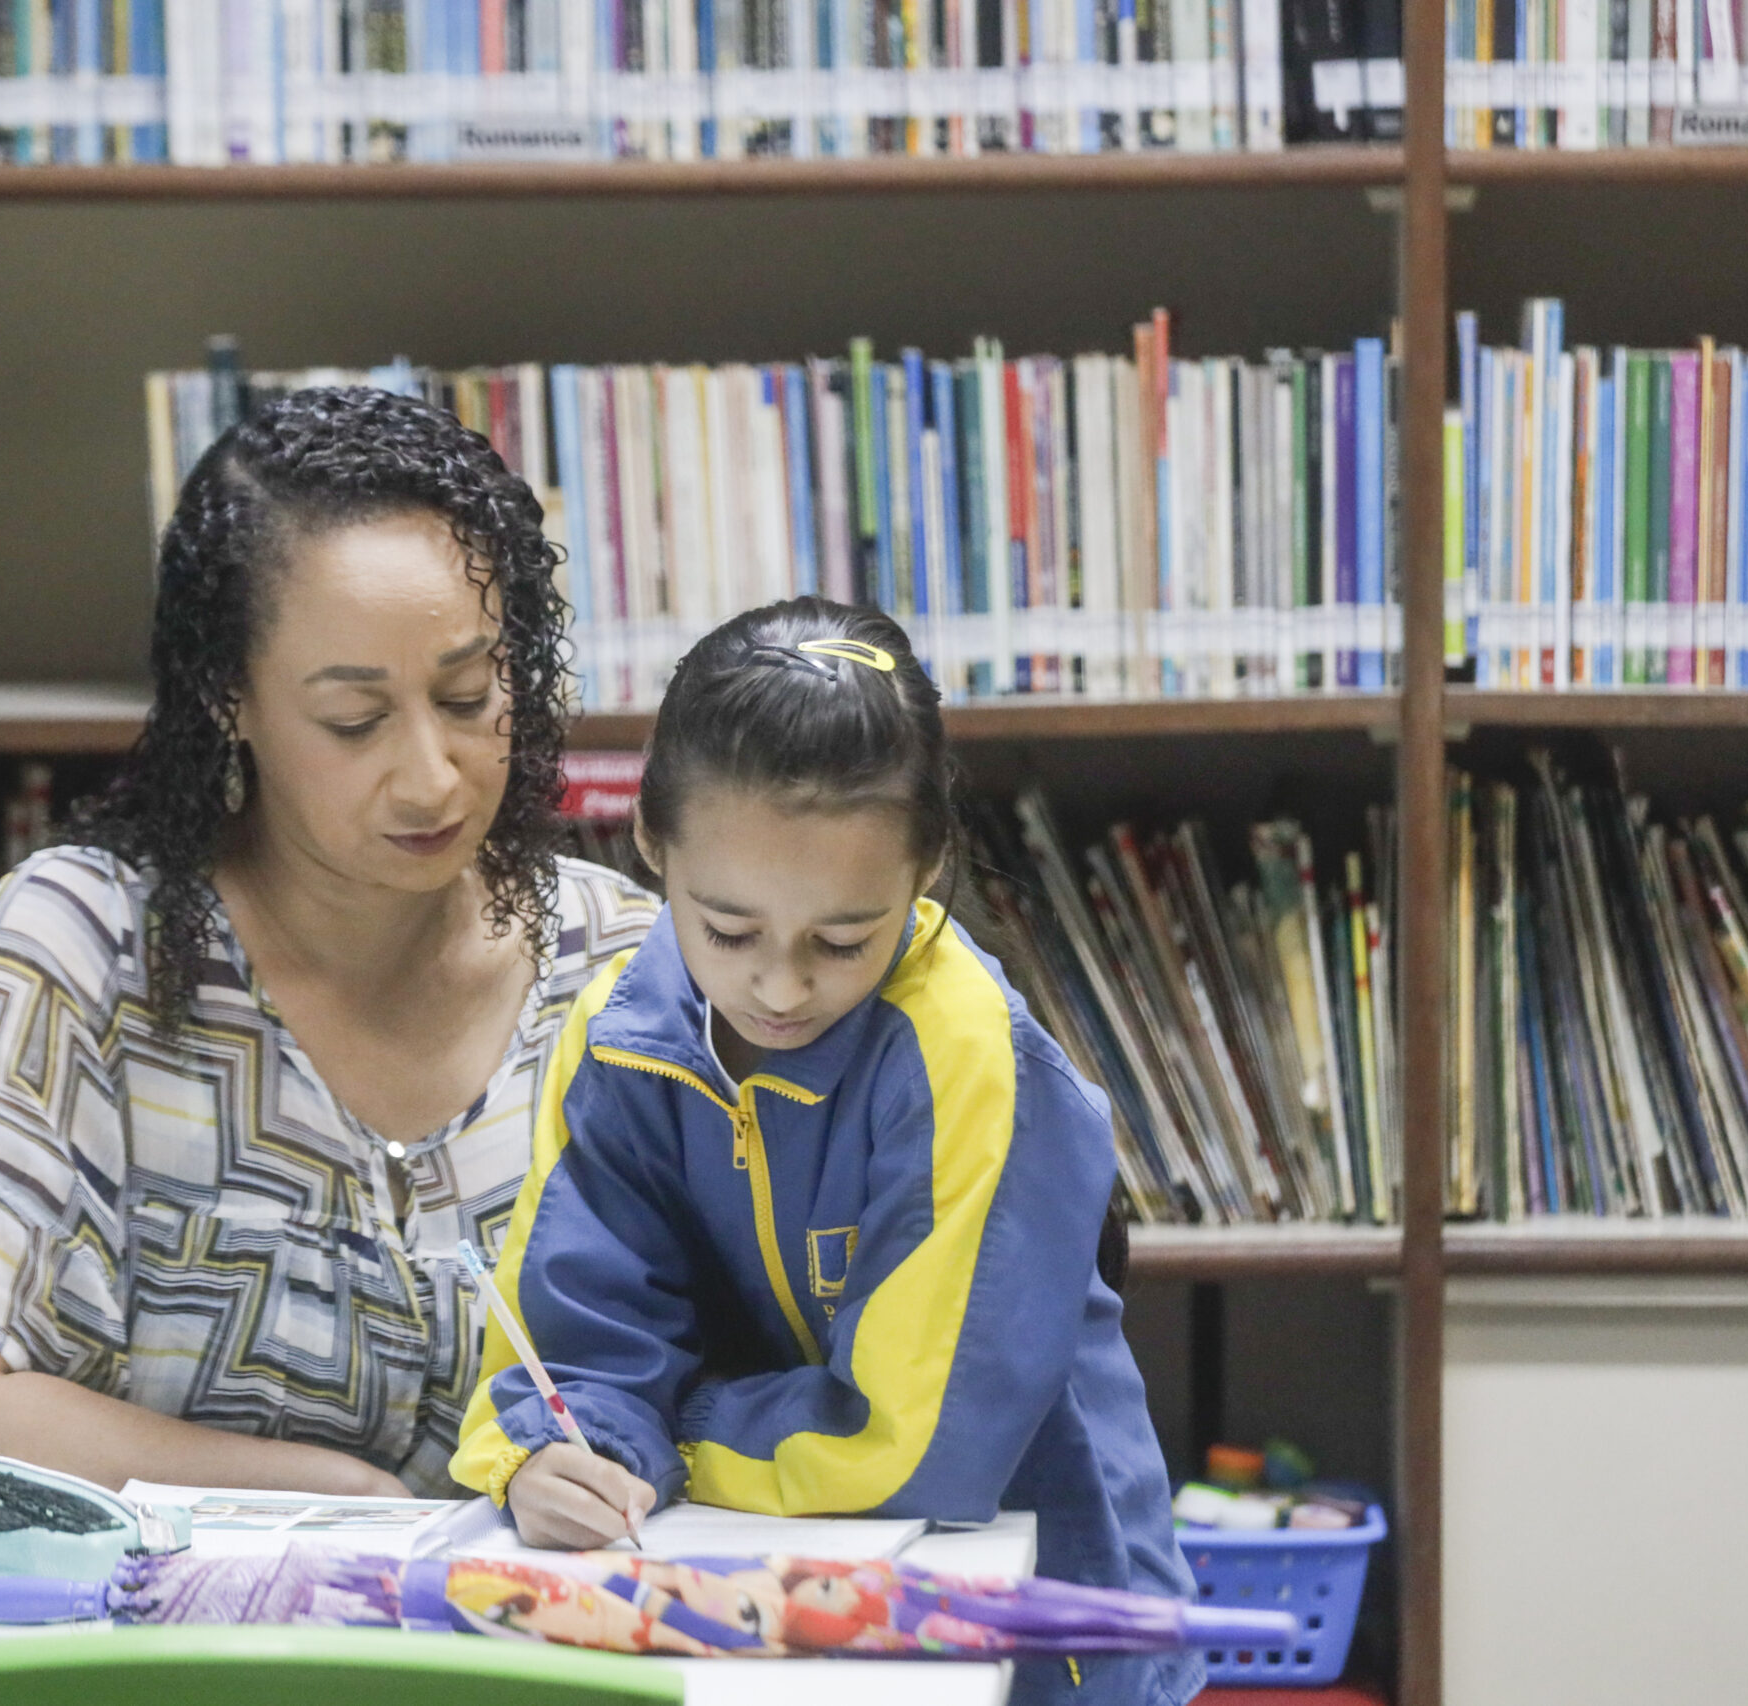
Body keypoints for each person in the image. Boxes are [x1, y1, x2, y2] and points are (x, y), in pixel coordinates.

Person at [0, 388, 656, 1497]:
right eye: (353, 720)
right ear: (233, 698)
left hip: (524, 1643)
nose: (432, 773)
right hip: (162, 1645)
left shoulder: (620, 965)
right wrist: (337, 1495)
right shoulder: (89, 943)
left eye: (469, 695)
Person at [448, 598, 1199, 1706]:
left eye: (844, 938)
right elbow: (579, 1336)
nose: (781, 985)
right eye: (728, 928)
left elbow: (910, 1450)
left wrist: (676, 1427)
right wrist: (571, 1448)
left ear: (927, 867)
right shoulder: (619, 1035)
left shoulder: (964, 1054)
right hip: (765, 1606)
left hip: (1047, 1630)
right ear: (651, 845)